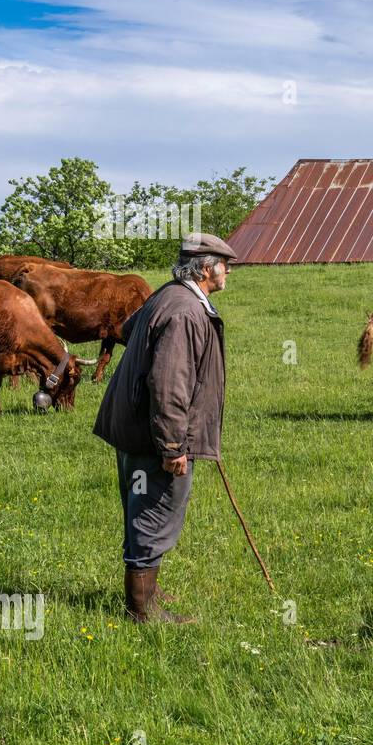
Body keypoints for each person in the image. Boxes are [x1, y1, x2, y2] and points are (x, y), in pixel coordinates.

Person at [94, 233, 235, 623]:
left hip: (135, 427)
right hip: (154, 436)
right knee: (155, 512)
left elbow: (126, 331)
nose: (228, 271)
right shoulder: (186, 311)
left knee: (144, 508)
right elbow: (169, 383)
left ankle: (149, 592)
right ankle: (141, 610)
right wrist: (173, 445)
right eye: (225, 264)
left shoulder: (168, 294)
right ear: (206, 269)